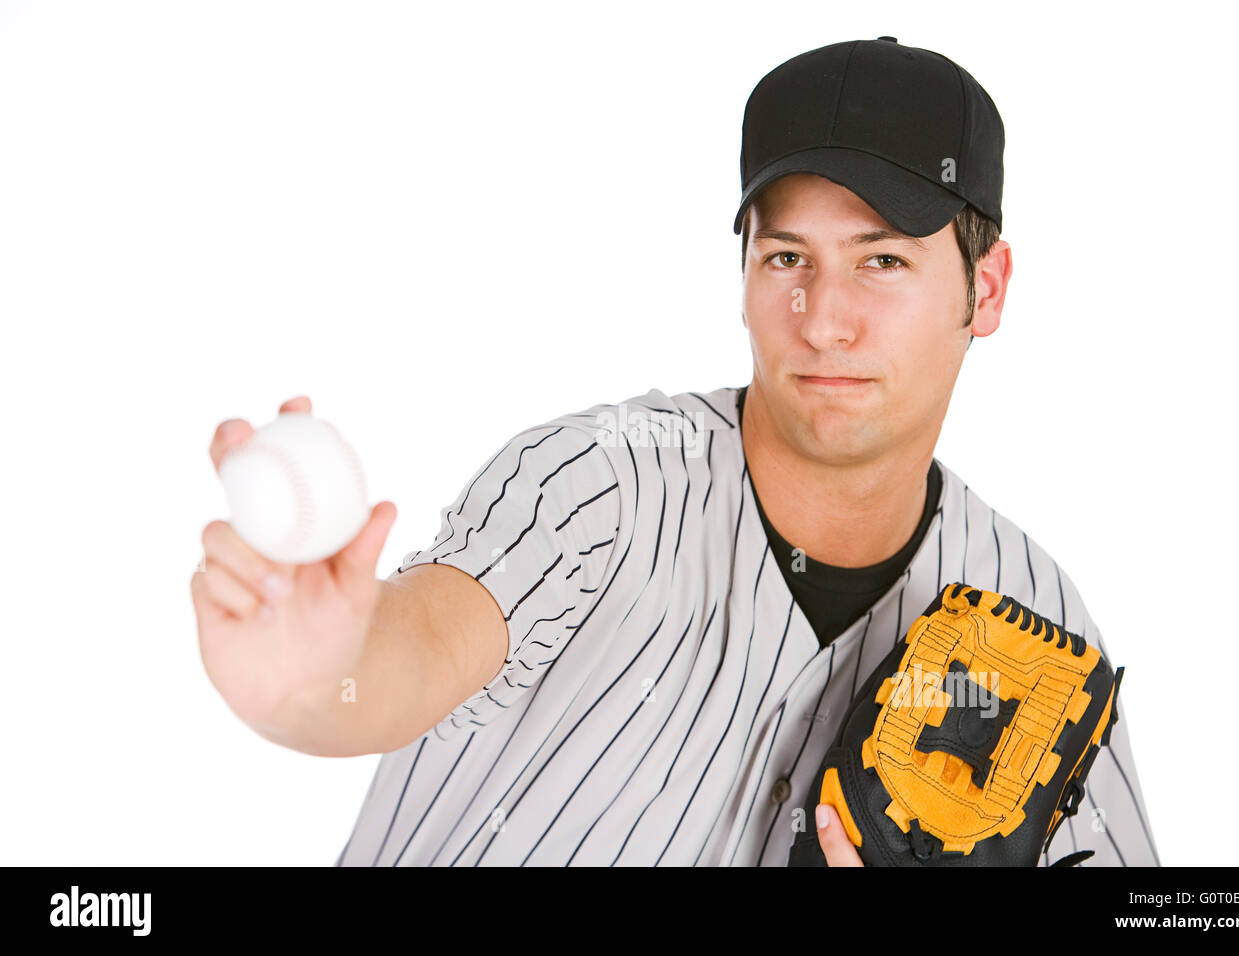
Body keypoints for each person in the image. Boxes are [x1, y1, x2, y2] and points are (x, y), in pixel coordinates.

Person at [193, 38, 1160, 867]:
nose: (823, 321)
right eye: (787, 258)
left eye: (883, 260)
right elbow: (410, 656)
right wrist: (319, 678)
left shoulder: (1035, 615)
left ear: (985, 290)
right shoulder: (601, 486)